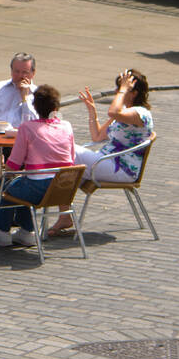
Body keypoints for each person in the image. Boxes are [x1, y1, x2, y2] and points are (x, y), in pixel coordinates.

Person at [47, 69, 154, 238]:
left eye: (121, 89)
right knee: (67, 164)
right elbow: (97, 136)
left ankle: (60, 213)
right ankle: (65, 216)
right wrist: (92, 112)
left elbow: (113, 112)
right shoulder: (123, 111)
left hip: (122, 169)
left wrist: (123, 90)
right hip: (106, 161)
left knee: (67, 149)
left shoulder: (140, 113)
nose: (117, 92)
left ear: (133, 93)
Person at [0, 84, 75, 248]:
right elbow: (72, 157)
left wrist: (1, 178)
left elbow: (13, 164)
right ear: (56, 107)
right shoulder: (67, 126)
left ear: (35, 106)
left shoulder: (27, 128)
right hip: (63, 188)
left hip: (38, 189)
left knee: (6, 185)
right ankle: (26, 231)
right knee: (19, 185)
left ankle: (3, 231)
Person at [0, 53, 39, 168]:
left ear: (33, 73)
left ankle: (8, 184)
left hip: (20, 144)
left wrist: (25, 99)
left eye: (25, 72)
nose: (20, 76)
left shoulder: (39, 94)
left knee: (25, 159)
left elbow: (34, 124)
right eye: (16, 71)